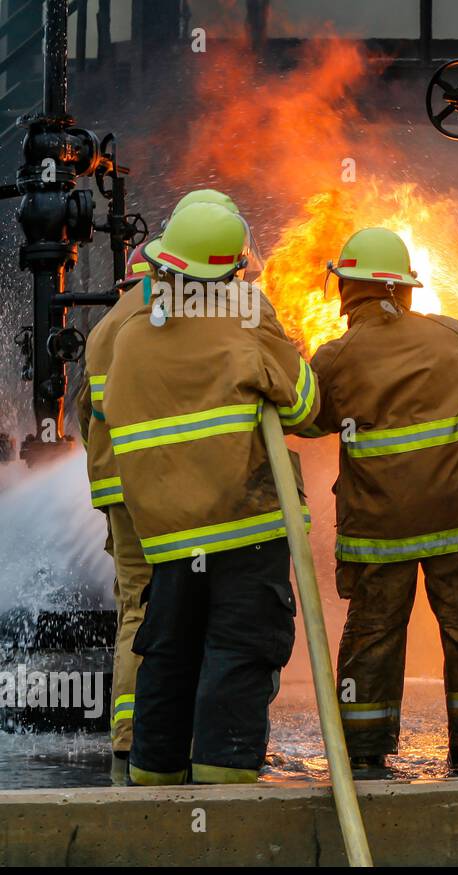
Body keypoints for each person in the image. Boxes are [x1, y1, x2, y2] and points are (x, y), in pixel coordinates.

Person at [103, 199, 320, 784]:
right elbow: (304, 403)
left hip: (169, 540)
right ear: (230, 273)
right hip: (245, 532)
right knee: (239, 655)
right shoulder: (246, 321)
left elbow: (110, 410)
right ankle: (223, 800)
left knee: (168, 656)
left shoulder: (129, 337)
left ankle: (154, 789)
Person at [307, 227, 458, 777]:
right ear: (404, 289)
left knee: (373, 634)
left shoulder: (337, 357)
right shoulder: (452, 337)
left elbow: (307, 417)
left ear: (349, 290)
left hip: (377, 531)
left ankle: (364, 755)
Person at [77, 188, 245, 784]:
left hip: (121, 487)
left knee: (144, 607)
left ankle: (140, 744)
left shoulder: (106, 330)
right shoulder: (171, 321)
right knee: (159, 609)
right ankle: (142, 740)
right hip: (164, 484)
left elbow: (87, 419)